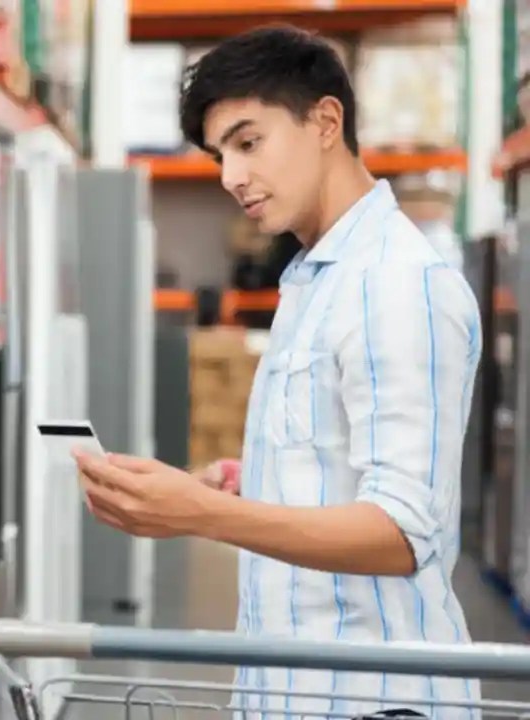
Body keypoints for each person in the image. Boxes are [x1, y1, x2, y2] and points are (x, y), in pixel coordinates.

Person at [73, 25, 482, 719]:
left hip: (370, 703)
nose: (230, 175)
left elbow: (404, 532)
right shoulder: (318, 277)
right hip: (295, 694)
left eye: (248, 141)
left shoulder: (396, 283)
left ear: (326, 121)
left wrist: (206, 514)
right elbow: (351, 464)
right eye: (219, 154)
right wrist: (259, 478)